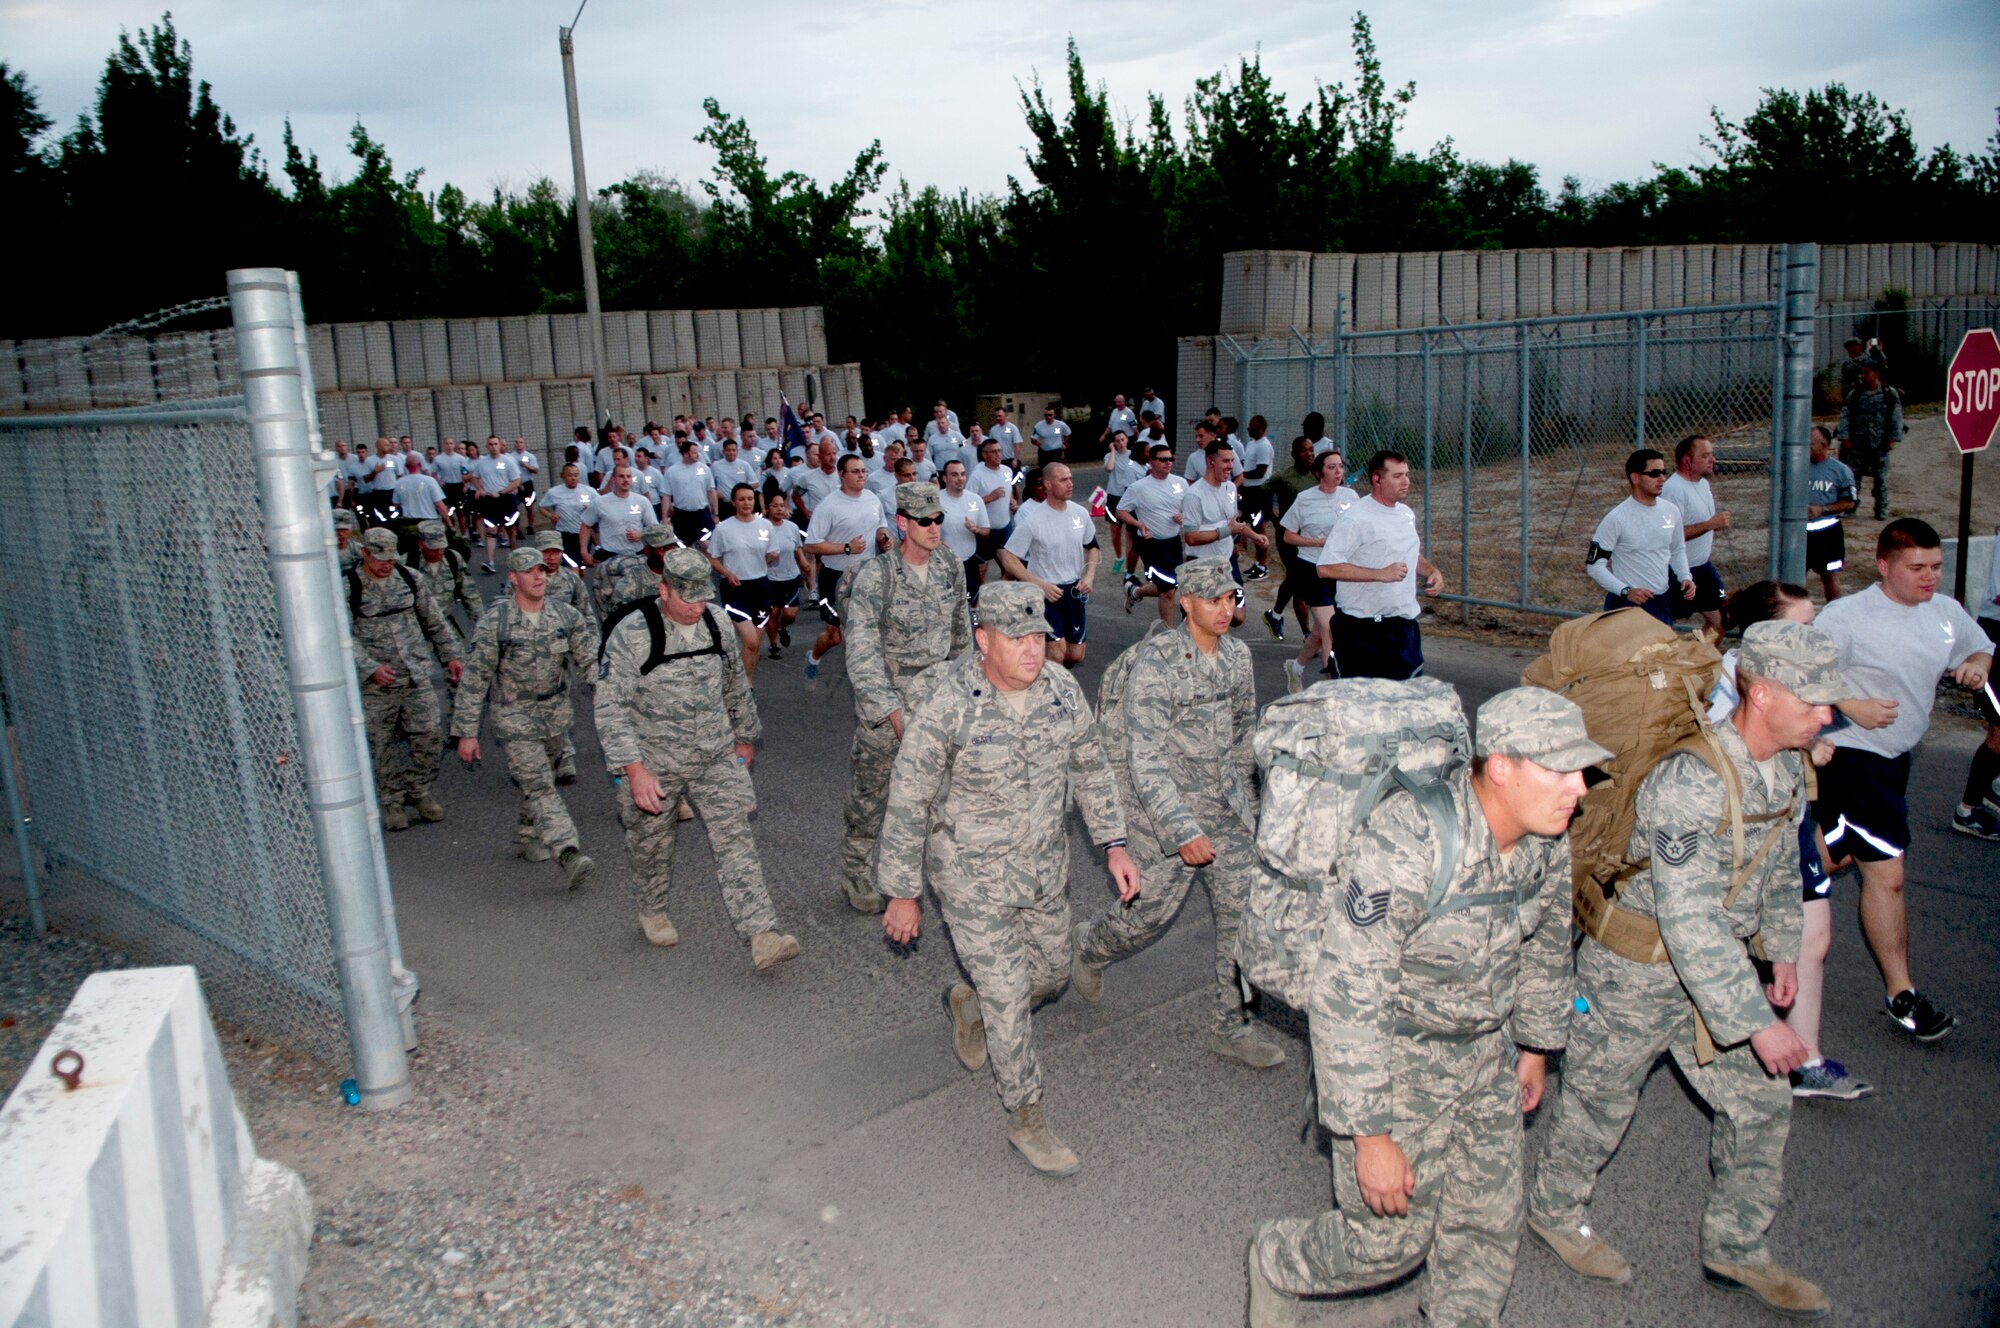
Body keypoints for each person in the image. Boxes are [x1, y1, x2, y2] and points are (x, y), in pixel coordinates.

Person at [1526, 622, 1850, 1320]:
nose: (1827, 716)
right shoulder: (1688, 780)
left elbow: (1778, 866)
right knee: (1599, 1108)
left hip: (1715, 974)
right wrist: (1756, 1024)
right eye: (1815, 700)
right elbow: (1689, 916)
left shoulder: (1789, 765)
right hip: (1634, 974)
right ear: (1762, 694)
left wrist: (1782, 946)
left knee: (1761, 1104)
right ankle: (1554, 1212)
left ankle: (1736, 1247)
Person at [1248, 688, 1598, 1328]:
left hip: (1485, 1053)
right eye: (1560, 768)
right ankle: (1278, 1259)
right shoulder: (1409, 838)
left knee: (1486, 1228)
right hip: (1398, 1058)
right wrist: (1370, 1135)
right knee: (1384, 1245)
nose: (1579, 785)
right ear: (1501, 767)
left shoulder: (1548, 837)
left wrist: (1535, 1048)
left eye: (1581, 768)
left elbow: (1547, 945)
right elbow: (1349, 989)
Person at [877, 580, 1137, 1177]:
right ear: (982, 638)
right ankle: (1027, 1115)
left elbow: (1092, 769)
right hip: (969, 872)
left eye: (1039, 636)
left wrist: (1115, 845)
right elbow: (909, 799)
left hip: (1043, 868)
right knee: (1009, 992)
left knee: (1048, 974)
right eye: (1016, 637)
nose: (1031, 649)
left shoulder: (1062, 691)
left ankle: (966, 1005)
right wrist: (902, 891)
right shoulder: (947, 704)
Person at [1071, 558, 1283, 1068]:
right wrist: (1183, 829)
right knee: (1147, 916)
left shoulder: (1237, 658)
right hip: (1160, 812)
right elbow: (1142, 758)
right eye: (1211, 600)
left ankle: (1231, 1025)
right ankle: (1089, 948)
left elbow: (1241, 741)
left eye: (1230, 599)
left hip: (1223, 806)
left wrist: (1249, 814)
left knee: (1242, 912)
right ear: (1185, 602)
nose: (1224, 609)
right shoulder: (1159, 662)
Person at [1812, 520, 1994, 1040]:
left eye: (1936, 567)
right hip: (1849, 754)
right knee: (1886, 873)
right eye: (1917, 568)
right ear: (1885, 564)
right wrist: (1852, 706)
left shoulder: (1945, 613)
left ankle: (1736, 910)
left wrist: (1977, 666)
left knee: (1829, 857)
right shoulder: (1847, 615)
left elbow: (1978, 647)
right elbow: (1798, 672)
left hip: (1896, 759)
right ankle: (1902, 995)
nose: (1929, 577)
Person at [594, 546, 801, 971]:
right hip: (654, 763)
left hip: (713, 755)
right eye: (686, 598)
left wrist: (746, 737)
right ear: (663, 589)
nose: (695, 607)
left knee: (735, 837)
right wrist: (633, 770)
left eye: (701, 597)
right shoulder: (633, 632)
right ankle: (652, 909)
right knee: (651, 847)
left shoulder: (716, 622)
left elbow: (734, 685)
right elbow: (609, 706)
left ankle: (762, 934)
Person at [1710, 582, 1871, 1102]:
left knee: (1812, 940)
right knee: (1745, 948)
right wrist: (1805, 753)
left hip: (1793, 823)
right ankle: (1754, 1051)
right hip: (1750, 833)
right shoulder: (1723, 684)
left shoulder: (1801, 680)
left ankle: (1806, 1058)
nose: (1813, 637)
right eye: (1800, 628)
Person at [838, 482, 973, 915]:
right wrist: (893, 715)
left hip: (938, 698)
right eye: (924, 521)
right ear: (902, 523)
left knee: (946, 794)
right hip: (889, 705)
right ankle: (856, 867)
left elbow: (962, 639)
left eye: (939, 520)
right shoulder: (876, 576)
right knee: (872, 794)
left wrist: (969, 695)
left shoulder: (951, 564)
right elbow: (861, 654)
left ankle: (952, 877)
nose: (935, 528)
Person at [451, 547, 597, 888]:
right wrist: (467, 732)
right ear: (513, 578)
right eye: (529, 571)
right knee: (541, 785)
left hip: (555, 715)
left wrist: (600, 688)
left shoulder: (565, 616)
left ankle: (528, 831)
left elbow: (589, 659)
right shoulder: (496, 623)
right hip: (514, 716)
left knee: (538, 778)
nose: (538, 577)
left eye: (542, 571)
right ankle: (567, 851)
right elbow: (475, 680)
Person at [347, 528, 464, 831]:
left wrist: (450, 654)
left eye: (391, 557)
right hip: (376, 684)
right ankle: (392, 801)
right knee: (382, 745)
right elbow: (341, 637)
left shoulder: (410, 578)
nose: (386, 563)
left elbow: (434, 620)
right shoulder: (349, 587)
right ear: (365, 553)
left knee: (430, 736)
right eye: (379, 557)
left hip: (415, 674)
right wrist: (369, 667)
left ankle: (418, 791)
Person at [1317, 450, 1441, 680]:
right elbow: (1326, 567)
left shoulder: (1405, 514)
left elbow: (1409, 554)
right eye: (1397, 476)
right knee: (1362, 706)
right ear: (1377, 479)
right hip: (1363, 629)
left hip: (1403, 627)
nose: (1406, 482)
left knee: (1405, 701)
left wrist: (1432, 571)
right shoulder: (1356, 518)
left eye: (1407, 475)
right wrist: (1379, 574)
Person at [801, 453, 892, 681]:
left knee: (870, 627)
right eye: (856, 471)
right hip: (836, 577)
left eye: (863, 470)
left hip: (867, 574)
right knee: (835, 636)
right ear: (842, 475)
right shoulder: (829, 505)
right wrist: (846, 548)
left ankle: (868, 676)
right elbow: (811, 545)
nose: (862, 475)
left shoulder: (872, 498)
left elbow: (881, 526)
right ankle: (813, 656)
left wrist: (884, 538)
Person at [998, 462, 1099, 668]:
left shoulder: (1080, 513)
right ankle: (1050, 693)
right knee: (1056, 654)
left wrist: (1088, 576)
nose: (1070, 483)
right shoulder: (1033, 519)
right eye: (1063, 480)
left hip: (1074, 592)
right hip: (1046, 593)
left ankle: (1030, 656)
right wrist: (1039, 585)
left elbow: (1092, 546)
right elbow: (1008, 557)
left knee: (1075, 655)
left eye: (1070, 478)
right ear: (1048, 485)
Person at [1585, 448, 1694, 625]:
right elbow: (1594, 566)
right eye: (1654, 473)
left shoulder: (1671, 511)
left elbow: (1677, 549)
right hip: (1627, 605)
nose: (1662, 478)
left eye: (1664, 472)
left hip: (1662, 602)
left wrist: (1685, 576)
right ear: (1635, 478)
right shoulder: (1616, 518)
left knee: (1662, 652)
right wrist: (1626, 591)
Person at [1278, 448, 1355, 690]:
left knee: (1321, 632)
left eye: (1340, 466)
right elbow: (1288, 536)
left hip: (1340, 570)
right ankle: (1333, 691)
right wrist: (1317, 542)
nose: (1338, 471)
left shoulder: (1351, 497)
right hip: (1312, 569)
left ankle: (1296, 667)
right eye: (1331, 467)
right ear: (1319, 473)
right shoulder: (1305, 499)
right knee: (1331, 629)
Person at [1180, 431, 1266, 627]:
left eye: (1232, 461)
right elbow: (1191, 538)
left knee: (1237, 616)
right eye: (1226, 461)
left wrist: (1254, 536)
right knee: (1206, 621)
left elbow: (1233, 522)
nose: (1231, 466)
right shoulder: (1194, 495)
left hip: (1227, 562)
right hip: (1202, 565)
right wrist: (1227, 531)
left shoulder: (1230, 489)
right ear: (1211, 462)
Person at [705, 484, 778, 685]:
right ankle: (743, 684)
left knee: (753, 645)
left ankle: (747, 683)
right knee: (751, 640)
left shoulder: (765, 526)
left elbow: (769, 557)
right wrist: (727, 574)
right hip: (735, 589)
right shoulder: (724, 529)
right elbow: (712, 557)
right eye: (742, 499)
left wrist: (771, 558)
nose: (746, 503)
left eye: (749, 498)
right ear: (734, 502)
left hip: (761, 587)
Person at [1664, 435, 1730, 638]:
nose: (1713, 460)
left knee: (1722, 621)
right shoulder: (1673, 490)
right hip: (1677, 572)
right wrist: (1710, 525)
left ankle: (1698, 661)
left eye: (1712, 455)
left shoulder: (1702, 484)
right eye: (1706, 456)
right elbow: (1669, 535)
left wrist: (1710, 526)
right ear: (1687, 460)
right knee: (1663, 629)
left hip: (1703, 568)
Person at [1118, 444, 1189, 626]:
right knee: (1167, 591)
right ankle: (1170, 637)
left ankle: (1135, 592)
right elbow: (1121, 511)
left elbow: (1189, 508)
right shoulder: (1138, 487)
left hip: (1173, 542)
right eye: (1163, 459)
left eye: (1170, 459)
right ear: (1151, 462)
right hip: (1151, 543)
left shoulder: (1180, 483)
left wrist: (1183, 515)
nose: (1168, 463)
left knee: (1171, 585)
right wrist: (1137, 523)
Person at [1260, 436, 1319, 643]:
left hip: (1310, 537)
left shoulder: (1317, 476)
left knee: (1297, 580)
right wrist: (1274, 519)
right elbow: (1260, 493)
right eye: (1304, 451)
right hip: (1288, 536)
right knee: (1297, 577)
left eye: (1311, 450)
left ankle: (1275, 614)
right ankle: (1306, 633)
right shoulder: (1284, 477)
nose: (1309, 454)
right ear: (1294, 454)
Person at [1834, 361, 1900, 521]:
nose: (1863, 376)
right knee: (1853, 478)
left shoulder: (1888, 394)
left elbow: (1895, 417)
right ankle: (1851, 507)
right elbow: (1845, 415)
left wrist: (1893, 438)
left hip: (1879, 444)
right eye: (1862, 373)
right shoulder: (1855, 394)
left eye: (1867, 373)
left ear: (1876, 374)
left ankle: (1880, 509)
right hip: (1857, 444)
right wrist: (1845, 437)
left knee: (1880, 479)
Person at [1804, 425, 1857, 601]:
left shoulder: (1840, 471)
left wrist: (1822, 509)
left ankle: (1832, 612)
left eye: (1810, 444)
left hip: (1827, 532)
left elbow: (1849, 502)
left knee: (1829, 575)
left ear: (1824, 445)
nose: (1806, 448)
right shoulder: (1798, 468)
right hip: (1800, 531)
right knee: (1795, 576)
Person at [407, 520, 483, 637]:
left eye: (441, 547)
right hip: (416, 630)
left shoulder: (453, 558)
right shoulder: (407, 564)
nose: (439, 552)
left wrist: (481, 626)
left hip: (446, 625)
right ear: (421, 545)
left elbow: (470, 593)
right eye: (433, 549)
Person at [758, 493, 808, 659]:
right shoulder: (761, 528)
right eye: (775, 506)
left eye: (781, 505)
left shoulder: (792, 527)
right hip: (769, 578)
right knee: (772, 613)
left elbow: (797, 549)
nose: (779, 509)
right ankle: (773, 645)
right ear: (767, 508)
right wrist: (767, 559)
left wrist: (804, 564)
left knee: (789, 615)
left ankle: (781, 627)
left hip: (790, 577)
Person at [581, 464, 656, 573]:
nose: (626, 480)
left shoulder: (642, 501)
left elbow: (654, 528)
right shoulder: (599, 502)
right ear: (613, 479)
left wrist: (641, 534)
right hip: (610, 557)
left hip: (637, 557)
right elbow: (585, 525)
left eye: (628, 476)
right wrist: (584, 552)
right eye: (621, 476)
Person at [937, 458, 991, 601]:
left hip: (969, 562)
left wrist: (976, 530)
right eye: (954, 475)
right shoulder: (935, 500)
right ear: (944, 478)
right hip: (943, 564)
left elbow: (986, 531)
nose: (960, 478)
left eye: (962, 474)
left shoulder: (976, 500)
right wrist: (936, 542)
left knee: (971, 601)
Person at [468, 436, 523, 574]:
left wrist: (502, 492)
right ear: (487, 447)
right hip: (489, 500)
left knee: (510, 530)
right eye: (490, 444)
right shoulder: (482, 463)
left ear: (500, 445)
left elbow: (516, 481)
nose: (493, 446)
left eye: (495, 444)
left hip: (506, 499)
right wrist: (480, 489)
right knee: (491, 530)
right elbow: (474, 476)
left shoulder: (507, 461)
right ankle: (490, 561)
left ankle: (514, 557)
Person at [1235, 414, 1275, 580]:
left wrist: (1242, 475)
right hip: (1249, 491)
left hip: (1260, 492)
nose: (1249, 428)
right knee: (1248, 525)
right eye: (1249, 425)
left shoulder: (1264, 446)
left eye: (1254, 426)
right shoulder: (1252, 443)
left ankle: (1262, 564)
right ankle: (1256, 562)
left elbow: (1260, 471)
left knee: (1258, 527)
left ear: (1262, 429)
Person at [663, 439, 719, 550]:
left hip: (702, 514)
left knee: (706, 544)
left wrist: (715, 514)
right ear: (685, 454)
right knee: (682, 546)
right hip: (682, 515)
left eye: (697, 452)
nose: (698, 454)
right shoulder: (672, 471)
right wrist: (665, 517)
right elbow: (666, 495)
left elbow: (711, 492)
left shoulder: (704, 469)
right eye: (694, 452)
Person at [541, 462, 597, 567]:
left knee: (581, 568)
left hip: (583, 535)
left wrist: (590, 509)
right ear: (562, 476)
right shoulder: (554, 492)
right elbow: (542, 507)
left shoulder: (589, 491)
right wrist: (550, 515)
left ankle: (577, 580)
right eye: (570, 475)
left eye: (576, 475)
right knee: (572, 566)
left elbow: (600, 506)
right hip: (565, 534)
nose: (573, 478)